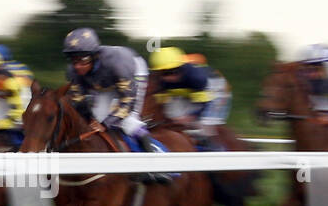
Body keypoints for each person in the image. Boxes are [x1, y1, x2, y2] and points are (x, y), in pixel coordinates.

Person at [62, 27, 172, 183]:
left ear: (95, 56)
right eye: (74, 61)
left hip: (133, 73)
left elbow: (127, 101)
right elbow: (79, 101)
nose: (78, 66)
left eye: (83, 60)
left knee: (128, 121)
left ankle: (159, 165)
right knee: (98, 120)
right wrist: (91, 119)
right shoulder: (73, 72)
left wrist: (106, 124)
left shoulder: (117, 64)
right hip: (104, 81)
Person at [148, 46, 231, 148]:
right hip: (186, 92)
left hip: (215, 90)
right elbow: (161, 104)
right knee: (173, 116)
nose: (168, 77)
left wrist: (190, 117)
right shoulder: (160, 80)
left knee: (205, 125)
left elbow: (205, 105)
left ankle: (216, 150)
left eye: (172, 72)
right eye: (163, 73)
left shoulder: (196, 78)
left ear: (181, 68)